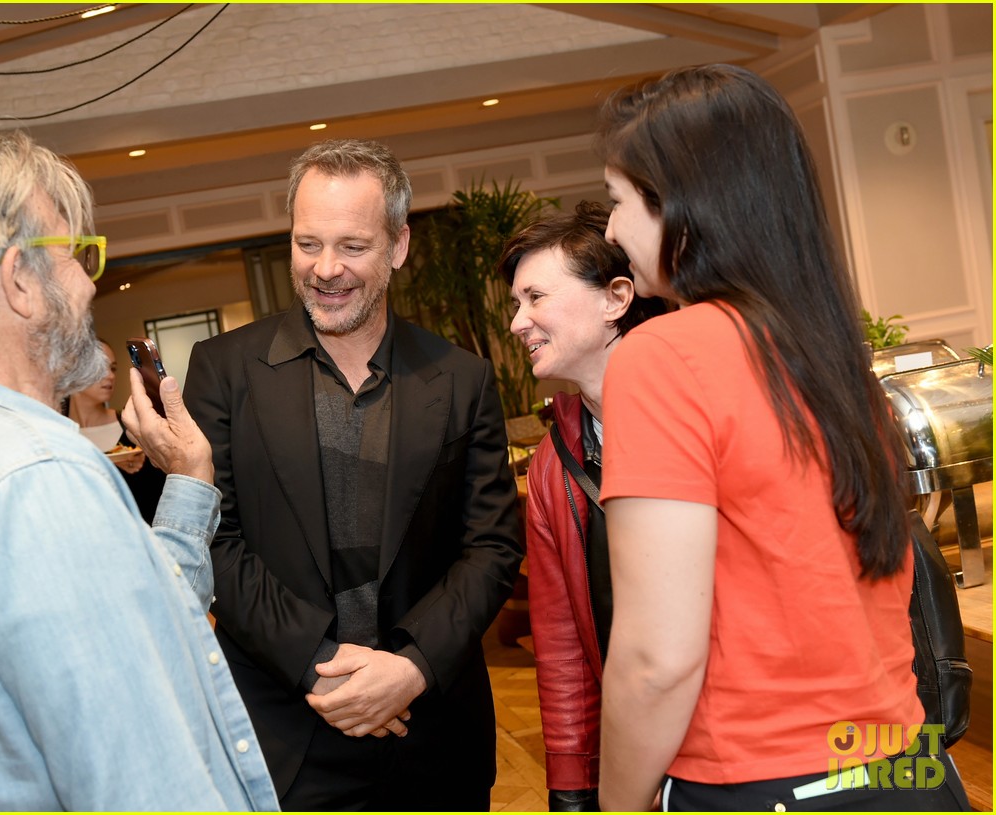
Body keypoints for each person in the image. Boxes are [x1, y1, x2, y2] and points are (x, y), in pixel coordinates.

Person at [0, 130, 278, 812]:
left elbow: (139, 632)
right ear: (19, 281)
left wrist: (189, 481)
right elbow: (141, 779)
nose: (90, 281)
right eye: (77, 255)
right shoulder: (37, 475)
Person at [594, 64, 969, 811]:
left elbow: (656, 659)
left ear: (684, 204)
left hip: (768, 780)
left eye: (617, 200)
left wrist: (617, 803)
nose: (609, 230)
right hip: (910, 772)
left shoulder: (662, 356)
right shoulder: (828, 353)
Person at [183, 138, 523, 810]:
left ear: (398, 246)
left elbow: (490, 546)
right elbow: (214, 538)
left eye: (353, 246)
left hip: (433, 733)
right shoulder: (222, 371)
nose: (326, 268)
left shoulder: (461, 378)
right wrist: (321, 667)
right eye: (307, 244)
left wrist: (412, 667)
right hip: (286, 735)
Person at [497, 201, 666, 812]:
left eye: (536, 297)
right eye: (517, 303)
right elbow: (564, 648)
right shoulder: (552, 465)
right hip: (642, 760)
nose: (518, 322)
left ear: (615, 298)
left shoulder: (700, 411)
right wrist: (573, 790)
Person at [63, 338, 167, 521]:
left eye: (112, 368)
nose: (110, 375)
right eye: (99, 366)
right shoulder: (56, 435)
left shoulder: (132, 427)